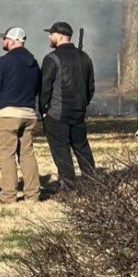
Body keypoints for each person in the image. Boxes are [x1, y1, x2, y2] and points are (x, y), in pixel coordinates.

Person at [0, 27, 43, 203]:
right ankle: (33, 194)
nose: (3, 42)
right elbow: (37, 87)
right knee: (27, 154)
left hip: (6, 115)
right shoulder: (34, 64)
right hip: (29, 113)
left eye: (5, 39)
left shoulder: (2, 63)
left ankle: (8, 196)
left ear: (14, 40)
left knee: (6, 155)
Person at [39, 21, 96, 191]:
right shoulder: (85, 57)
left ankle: (68, 186)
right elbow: (90, 86)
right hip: (78, 112)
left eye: (52, 33)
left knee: (61, 150)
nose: (49, 36)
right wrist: (82, 104)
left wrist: (43, 109)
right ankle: (93, 183)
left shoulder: (52, 58)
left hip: (57, 113)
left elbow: (45, 86)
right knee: (82, 148)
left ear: (61, 35)